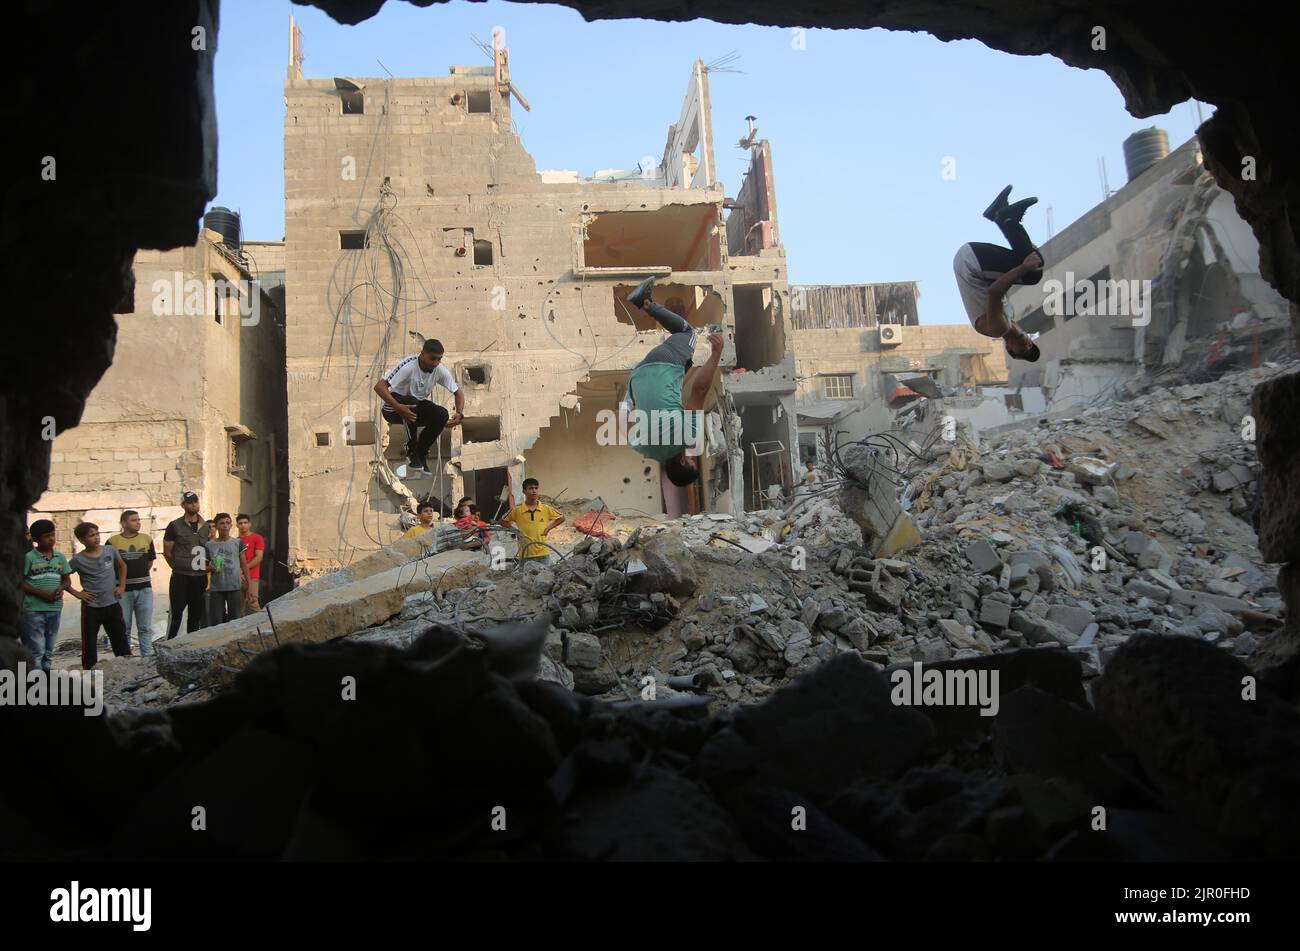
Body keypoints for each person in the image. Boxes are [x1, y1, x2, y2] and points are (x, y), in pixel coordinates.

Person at [620, 276, 724, 486]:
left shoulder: (688, 437)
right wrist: (632, 399)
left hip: (661, 364)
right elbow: (625, 417)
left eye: (692, 461)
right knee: (685, 365)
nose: (693, 456)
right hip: (637, 378)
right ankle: (647, 305)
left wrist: (716, 355)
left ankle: (646, 302)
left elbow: (700, 390)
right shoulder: (642, 447)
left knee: (688, 334)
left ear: (685, 460)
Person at [953, 185, 1044, 363]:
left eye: (1023, 350)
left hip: (971, 265)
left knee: (1033, 273)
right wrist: (1024, 252)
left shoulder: (998, 328)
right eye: (1031, 346)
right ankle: (999, 213)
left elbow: (994, 292)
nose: (1027, 345)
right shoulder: (1008, 317)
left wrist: (1023, 267)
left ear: (1009, 347)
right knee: (1032, 261)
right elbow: (1001, 280)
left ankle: (1006, 219)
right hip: (971, 262)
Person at [374, 338, 465, 474]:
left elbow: (458, 393)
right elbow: (379, 387)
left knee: (441, 414)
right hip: (392, 408)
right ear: (422, 354)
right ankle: (411, 451)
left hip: (413, 409)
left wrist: (459, 413)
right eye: (432, 359)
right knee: (413, 402)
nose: (435, 363)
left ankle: (421, 452)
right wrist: (399, 407)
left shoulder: (440, 370)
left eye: (439, 359)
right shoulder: (408, 366)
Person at [68, 522, 129, 670]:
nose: (96, 538)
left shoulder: (110, 551)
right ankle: (89, 671)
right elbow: (62, 578)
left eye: (97, 534)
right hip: (91, 608)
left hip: (112, 604)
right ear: (82, 540)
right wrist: (77, 593)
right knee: (89, 642)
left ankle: (127, 666)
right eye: (91, 536)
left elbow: (122, 565)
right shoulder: (78, 560)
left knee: (119, 637)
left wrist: (121, 586)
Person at [20, 519, 71, 673]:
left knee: (49, 648)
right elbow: (20, 582)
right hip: (34, 608)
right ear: (35, 540)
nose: (51, 539)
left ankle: (46, 676)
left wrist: (61, 588)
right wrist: (42, 594)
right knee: (36, 649)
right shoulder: (29, 557)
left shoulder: (59, 557)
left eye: (53, 535)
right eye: (46, 536)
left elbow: (66, 580)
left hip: (54, 607)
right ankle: (35, 682)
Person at [108, 510, 157, 657]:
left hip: (144, 589)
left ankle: (147, 657)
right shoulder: (112, 542)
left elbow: (149, 562)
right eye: (133, 520)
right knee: (124, 627)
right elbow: (109, 565)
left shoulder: (146, 539)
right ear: (124, 523)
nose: (138, 522)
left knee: (145, 627)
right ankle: (125, 657)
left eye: (138, 520)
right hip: (123, 591)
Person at [163, 491, 209, 638]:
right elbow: (167, 552)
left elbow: (208, 548)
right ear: (183, 505)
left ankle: (191, 645)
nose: (193, 504)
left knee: (195, 615)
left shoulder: (205, 526)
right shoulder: (174, 525)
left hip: (200, 576)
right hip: (181, 577)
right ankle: (169, 643)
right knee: (176, 614)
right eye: (189, 502)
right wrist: (178, 566)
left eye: (195, 501)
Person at [501, 479, 563, 565]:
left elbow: (561, 518)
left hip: (543, 553)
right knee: (526, 577)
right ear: (524, 491)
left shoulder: (545, 508)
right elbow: (502, 521)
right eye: (530, 488)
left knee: (544, 577)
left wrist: (548, 528)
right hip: (525, 553)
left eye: (536, 488)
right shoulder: (517, 509)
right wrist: (515, 530)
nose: (534, 491)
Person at [204, 514, 249, 625]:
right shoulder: (209, 545)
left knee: (235, 621)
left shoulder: (238, 543)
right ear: (217, 526)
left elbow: (244, 564)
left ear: (231, 525)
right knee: (216, 621)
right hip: (216, 588)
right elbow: (203, 567)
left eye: (227, 523)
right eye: (222, 523)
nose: (225, 526)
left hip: (234, 586)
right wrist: (210, 567)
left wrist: (249, 584)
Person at [235, 514, 265, 612]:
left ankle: (264, 625)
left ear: (250, 524)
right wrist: (239, 572)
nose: (243, 525)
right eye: (240, 523)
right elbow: (233, 560)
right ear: (237, 525)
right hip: (238, 577)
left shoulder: (257, 538)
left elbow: (259, 557)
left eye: (245, 523)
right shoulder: (235, 541)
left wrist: (244, 568)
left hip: (252, 577)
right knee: (239, 607)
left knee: (253, 603)